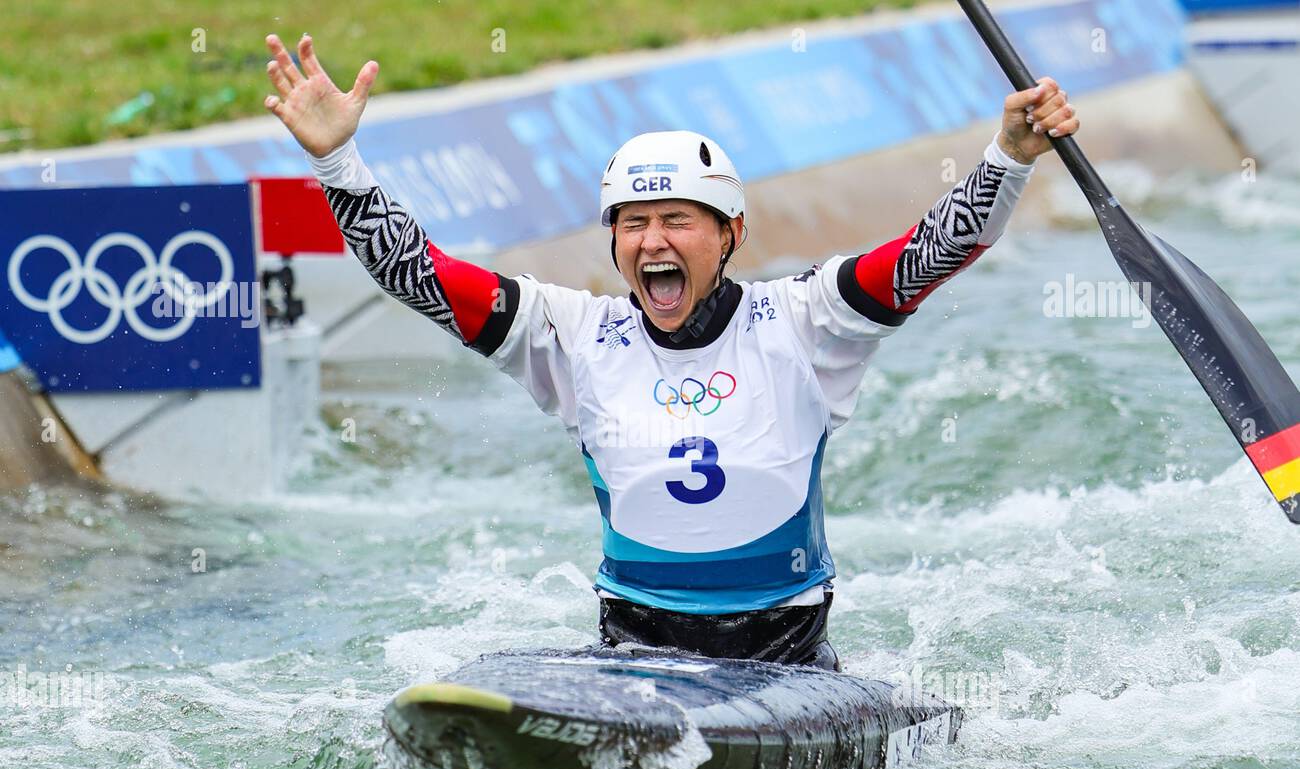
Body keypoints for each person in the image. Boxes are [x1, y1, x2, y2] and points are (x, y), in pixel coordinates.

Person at [263, 33, 1079, 672]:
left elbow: (930, 252)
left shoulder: (806, 319)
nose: (652, 240)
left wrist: (1007, 155)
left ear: (730, 235)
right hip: (634, 652)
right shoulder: (571, 335)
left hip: (785, 660)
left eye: (678, 220)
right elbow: (420, 277)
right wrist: (336, 160)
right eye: (631, 222)